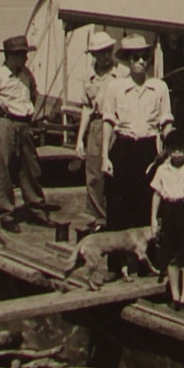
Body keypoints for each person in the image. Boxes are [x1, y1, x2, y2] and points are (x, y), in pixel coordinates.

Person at [0, 34, 52, 232]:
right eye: (21, 54)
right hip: (6, 124)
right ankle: (7, 214)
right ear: (10, 55)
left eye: (25, 53)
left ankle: (36, 208)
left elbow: (33, 93)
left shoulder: (26, 74)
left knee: (30, 167)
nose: (25, 58)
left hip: (25, 125)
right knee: (3, 169)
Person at [101, 34, 173, 255]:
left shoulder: (159, 87)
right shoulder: (115, 87)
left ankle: (146, 260)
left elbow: (166, 121)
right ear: (128, 61)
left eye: (144, 58)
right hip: (123, 148)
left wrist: (166, 154)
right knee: (117, 205)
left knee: (146, 203)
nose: (141, 62)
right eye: (135, 58)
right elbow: (108, 121)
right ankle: (115, 262)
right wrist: (104, 156)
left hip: (148, 149)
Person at [74, 31, 121, 231]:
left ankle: (115, 215)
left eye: (106, 51)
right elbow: (86, 108)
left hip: (117, 125)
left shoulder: (122, 73)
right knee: (93, 171)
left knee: (115, 171)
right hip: (96, 125)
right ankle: (97, 218)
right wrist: (79, 139)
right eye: (98, 53)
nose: (103, 56)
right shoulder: (89, 76)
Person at [150, 127, 184, 312]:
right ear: (167, 150)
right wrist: (153, 219)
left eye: (181, 149)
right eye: (173, 149)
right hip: (169, 211)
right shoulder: (162, 169)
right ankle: (175, 296)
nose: (177, 153)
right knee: (170, 256)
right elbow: (156, 195)